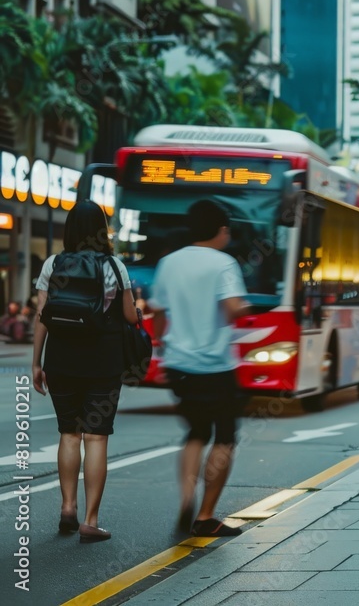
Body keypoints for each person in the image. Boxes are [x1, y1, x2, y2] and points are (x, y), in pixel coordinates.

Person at [32, 200, 139, 543]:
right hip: (102, 362)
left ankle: (67, 507)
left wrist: (37, 362)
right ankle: (90, 521)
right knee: (96, 437)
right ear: (101, 230)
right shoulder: (113, 265)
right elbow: (130, 318)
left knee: (69, 434)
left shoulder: (53, 264)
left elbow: (42, 318)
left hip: (61, 360)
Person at [148, 199, 250, 537]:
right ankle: (205, 516)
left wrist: (164, 348)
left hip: (180, 364)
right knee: (224, 438)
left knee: (195, 433)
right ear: (222, 231)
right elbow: (234, 308)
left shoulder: (168, 263)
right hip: (216, 365)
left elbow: (158, 312)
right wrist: (246, 306)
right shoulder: (224, 264)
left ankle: (186, 498)